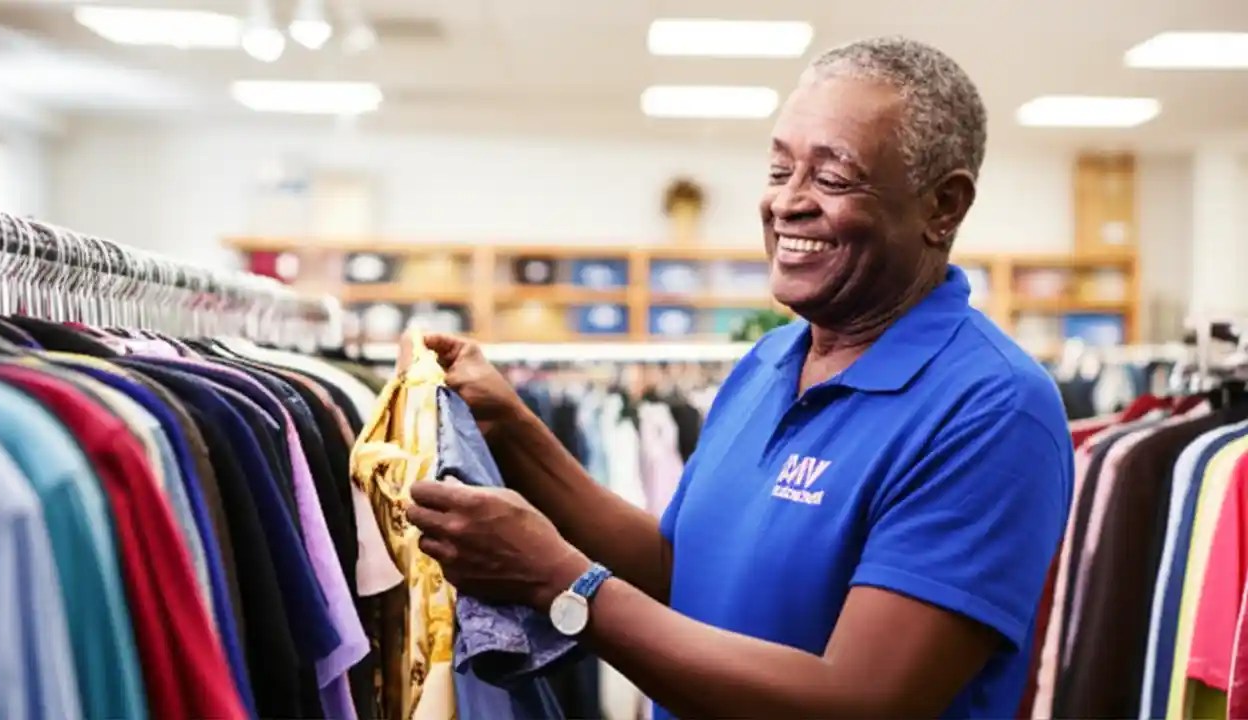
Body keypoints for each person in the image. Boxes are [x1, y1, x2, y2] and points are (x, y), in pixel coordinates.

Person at [406, 35, 1073, 719]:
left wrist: (561, 582)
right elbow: (679, 573)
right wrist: (512, 430)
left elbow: (860, 701)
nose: (788, 203)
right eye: (780, 170)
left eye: (833, 177)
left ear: (943, 207)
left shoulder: (993, 409)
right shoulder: (768, 362)